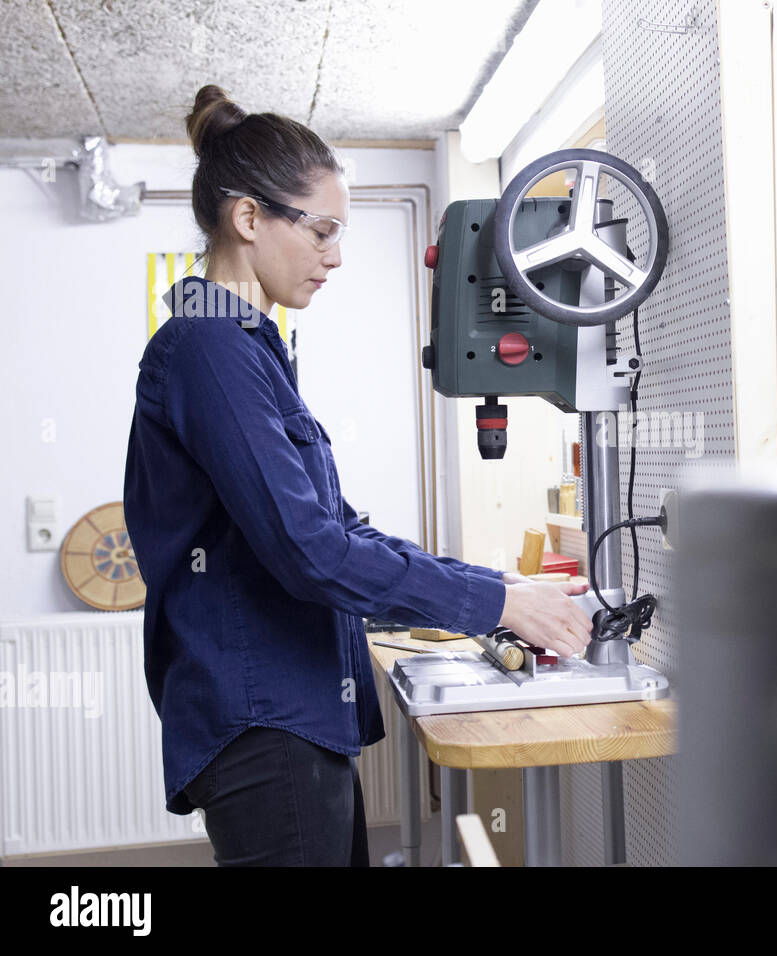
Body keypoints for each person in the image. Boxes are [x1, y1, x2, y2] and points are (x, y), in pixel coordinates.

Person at [122, 85, 592, 866]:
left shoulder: (251, 350)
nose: (335, 255)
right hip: (266, 723)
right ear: (248, 218)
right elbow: (310, 551)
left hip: (296, 711)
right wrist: (500, 602)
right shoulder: (208, 349)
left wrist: (502, 591)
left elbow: (339, 529)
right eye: (323, 230)